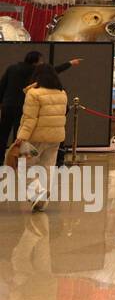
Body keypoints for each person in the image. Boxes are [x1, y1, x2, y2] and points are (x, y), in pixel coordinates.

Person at [11, 65, 68, 212]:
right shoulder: (62, 93)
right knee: (47, 167)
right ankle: (42, 199)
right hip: (55, 138)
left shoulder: (34, 94)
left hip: (35, 138)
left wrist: (21, 137)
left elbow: (30, 119)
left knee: (24, 167)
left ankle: (38, 194)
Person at [1, 52, 80, 148]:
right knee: (20, 135)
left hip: (8, 105)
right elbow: (55, 70)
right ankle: (18, 160)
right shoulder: (37, 71)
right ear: (35, 62)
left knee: (3, 134)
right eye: (41, 61)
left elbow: (2, 86)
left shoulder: (12, 68)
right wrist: (70, 63)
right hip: (24, 106)